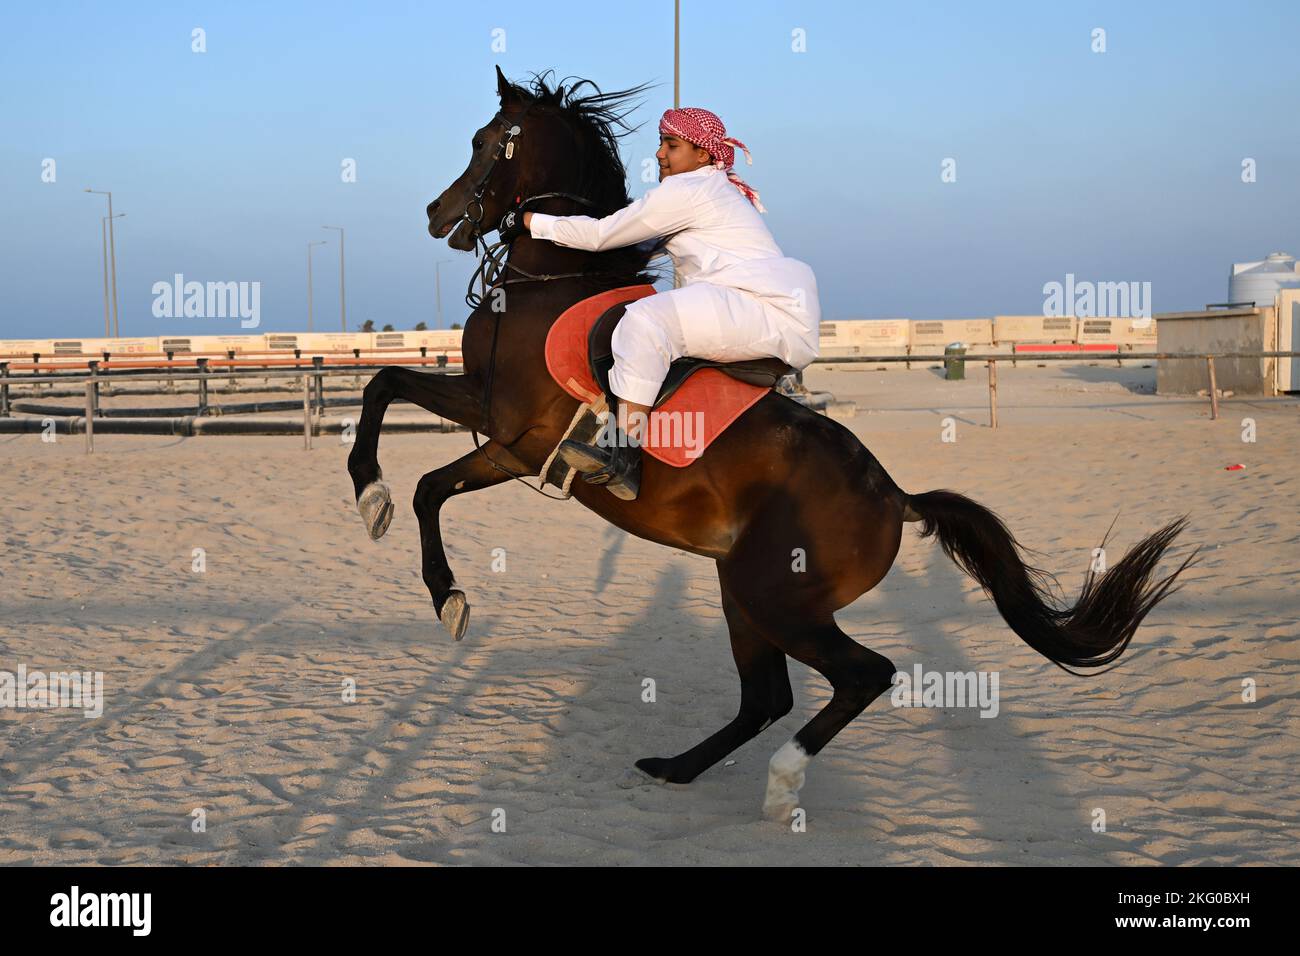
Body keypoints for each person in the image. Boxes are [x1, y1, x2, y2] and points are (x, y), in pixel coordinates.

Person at [500, 106, 821, 500]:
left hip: (759, 308)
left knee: (645, 322)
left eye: (672, 144)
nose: (659, 154)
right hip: (751, 305)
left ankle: (621, 453)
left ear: (703, 155)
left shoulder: (689, 190)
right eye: (660, 143)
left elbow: (603, 236)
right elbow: (631, 245)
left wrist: (530, 221)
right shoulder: (704, 188)